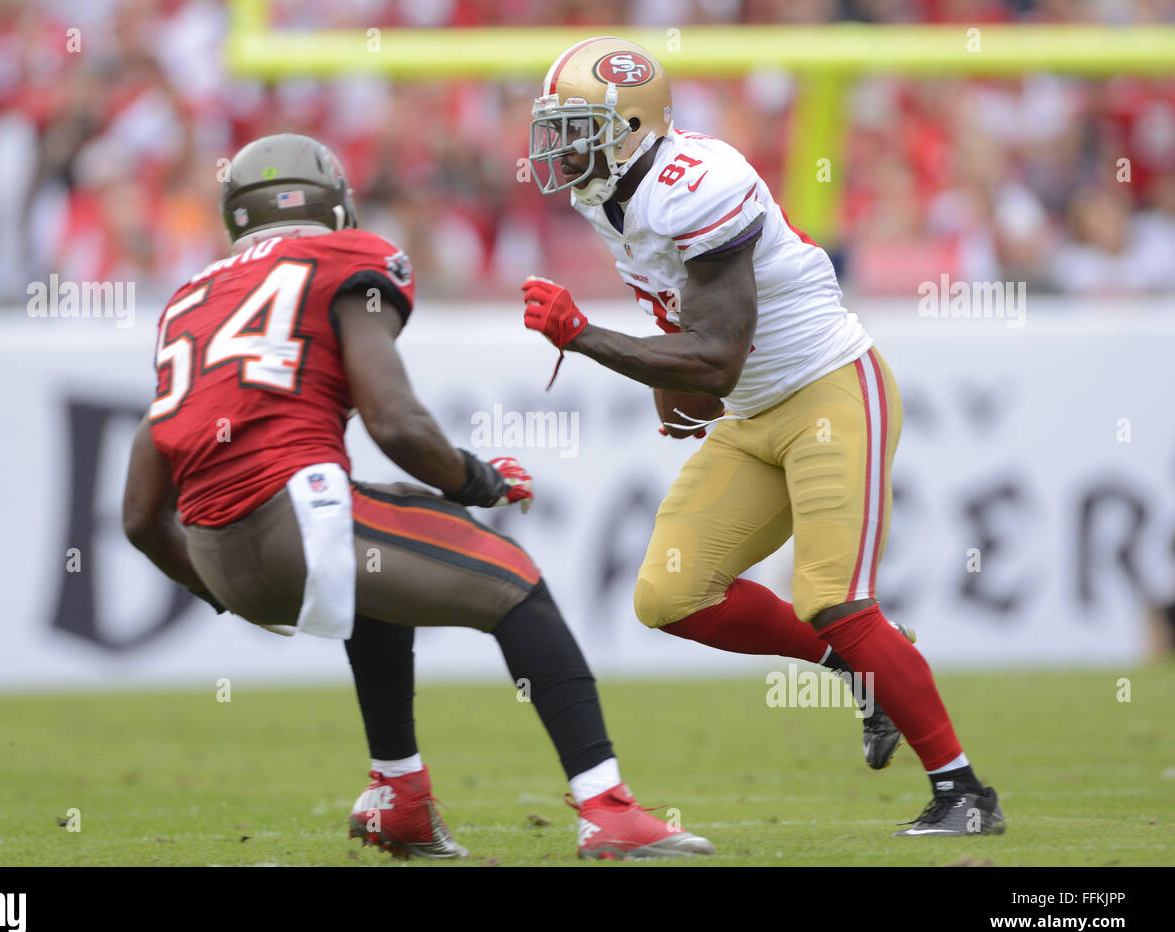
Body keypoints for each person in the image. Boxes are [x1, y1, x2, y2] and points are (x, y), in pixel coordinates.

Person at [122, 132, 713, 860]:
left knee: (379, 550)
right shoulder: (348, 259)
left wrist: (219, 586)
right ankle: (607, 806)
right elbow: (394, 419)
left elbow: (139, 514)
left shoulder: (192, 297)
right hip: (295, 516)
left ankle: (399, 797)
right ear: (335, 204)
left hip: (214, 548)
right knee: (514, 581)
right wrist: (471, 479)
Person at [522, 37, 1004, 837]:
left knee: (833, 599)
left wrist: (583, 338)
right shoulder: (607, 193)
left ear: (633, 126)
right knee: (669, 594)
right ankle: (859, 671)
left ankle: (964, 792)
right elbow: (681, 318)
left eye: (576, 127)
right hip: (753, 412)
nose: (560, 148)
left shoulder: (699, 185)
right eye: (555, 128)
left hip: (827, 390)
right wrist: (665, 378)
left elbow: (716, 353)